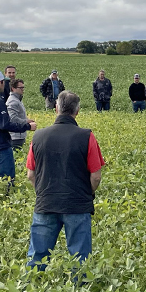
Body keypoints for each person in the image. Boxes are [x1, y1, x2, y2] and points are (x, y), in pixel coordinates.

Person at [25, 91, 105, 271]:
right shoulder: (86, 136)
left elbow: (31, 174)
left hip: (46, 203)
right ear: (77, 111)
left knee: (37, 256)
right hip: (77, 205)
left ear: (56, 109)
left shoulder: (38, 137)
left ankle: (31, 289)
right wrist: (88, 193)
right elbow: (96, 175)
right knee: (80, 257)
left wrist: (43, 192)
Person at [6, 78, 29, 150]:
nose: (23, 89)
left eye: (23, 87)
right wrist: (26, 122)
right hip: (15, 136)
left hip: (19, 135)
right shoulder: (13, 101)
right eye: (20, 87)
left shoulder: (17, 99)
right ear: (13, 88)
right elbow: (12, 118)